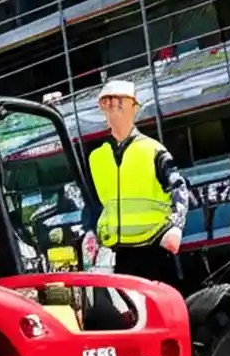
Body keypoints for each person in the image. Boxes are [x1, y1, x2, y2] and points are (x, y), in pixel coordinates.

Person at [81, 79, 193, 290]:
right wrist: (89, 229)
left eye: (119, 104)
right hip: (118, 257)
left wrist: (176, 227)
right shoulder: (97, 158)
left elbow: (179, 188)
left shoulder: (152, 150)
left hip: (155, 249)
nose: (114, 111)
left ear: (135, 109)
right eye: (108, 105)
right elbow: (94, 203)